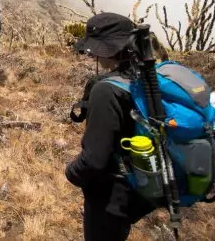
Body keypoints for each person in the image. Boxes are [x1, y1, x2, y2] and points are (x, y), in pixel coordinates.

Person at [65, 13, 154, 241]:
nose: (91, 53)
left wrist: (72, 172)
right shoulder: (145, 77)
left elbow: (94, 160)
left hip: (109, 195)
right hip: (136, 187)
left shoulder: (106, 90)